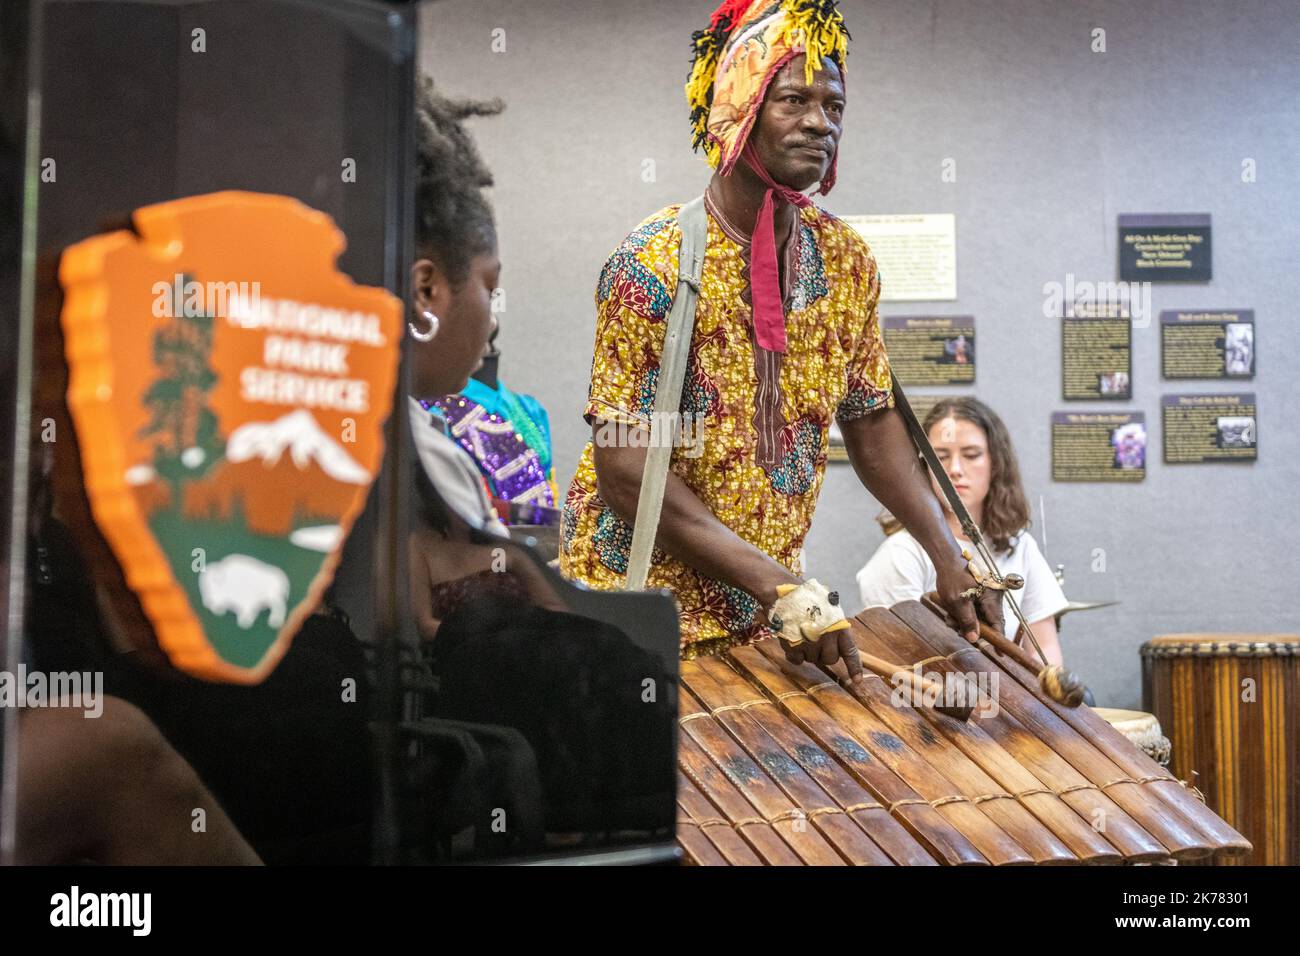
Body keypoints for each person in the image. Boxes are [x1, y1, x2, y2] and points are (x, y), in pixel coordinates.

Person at [559, 0, 1003, 676]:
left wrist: (949, 554)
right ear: (739, 106)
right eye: (793, 98)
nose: (820, 122)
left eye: (834, 104)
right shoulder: (650, 264)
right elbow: (626, 471)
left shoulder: (847, 262)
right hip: (640, 623)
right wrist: (782, 588)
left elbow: (872, 418)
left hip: (766, 622)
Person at [856, 397, 1068, 666]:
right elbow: (899, 661)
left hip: (1008, 700)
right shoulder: (901, 553)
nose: (955, 470)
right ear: (922, 469)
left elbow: (1044, 652)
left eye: (971, 455)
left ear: (996, 463)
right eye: (941, 456)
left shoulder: (1021, 546)